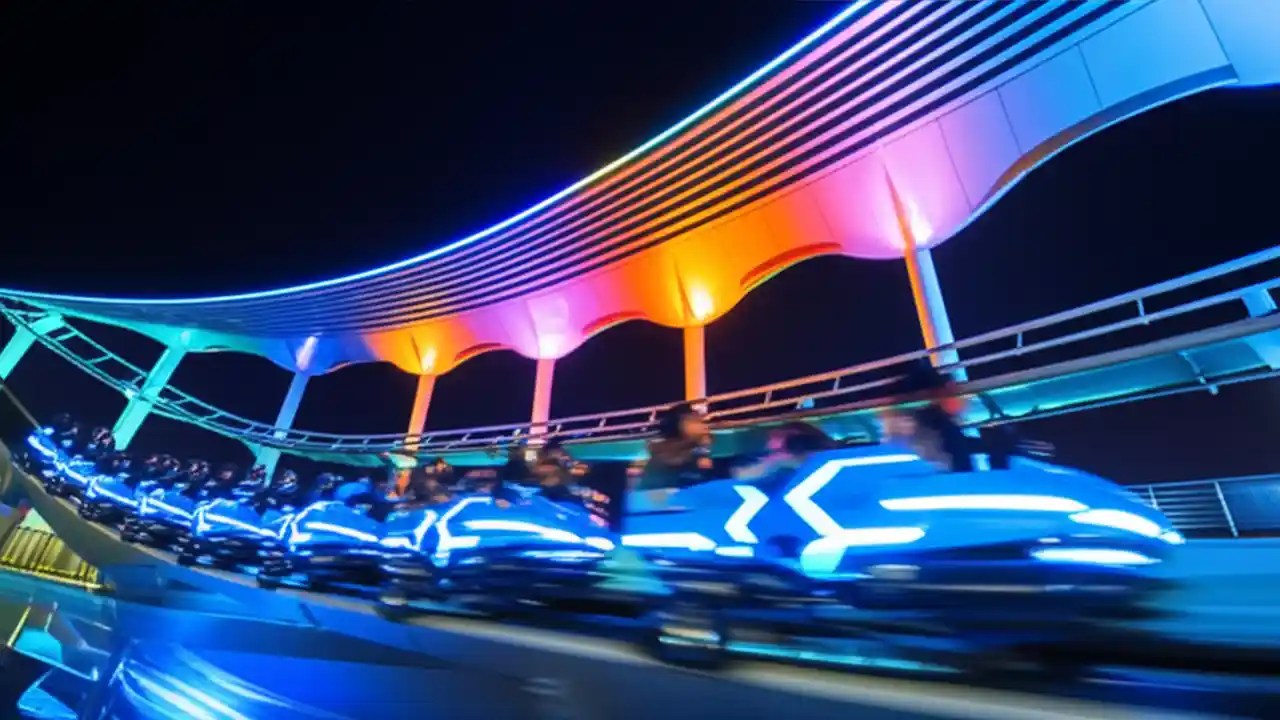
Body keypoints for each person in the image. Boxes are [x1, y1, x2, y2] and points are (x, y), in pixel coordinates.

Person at [637, 403, 714, 491]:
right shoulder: (666, 455)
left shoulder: (697, 452)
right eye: (694, 421)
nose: (704, 427)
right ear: (678, 426)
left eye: (701, 422)